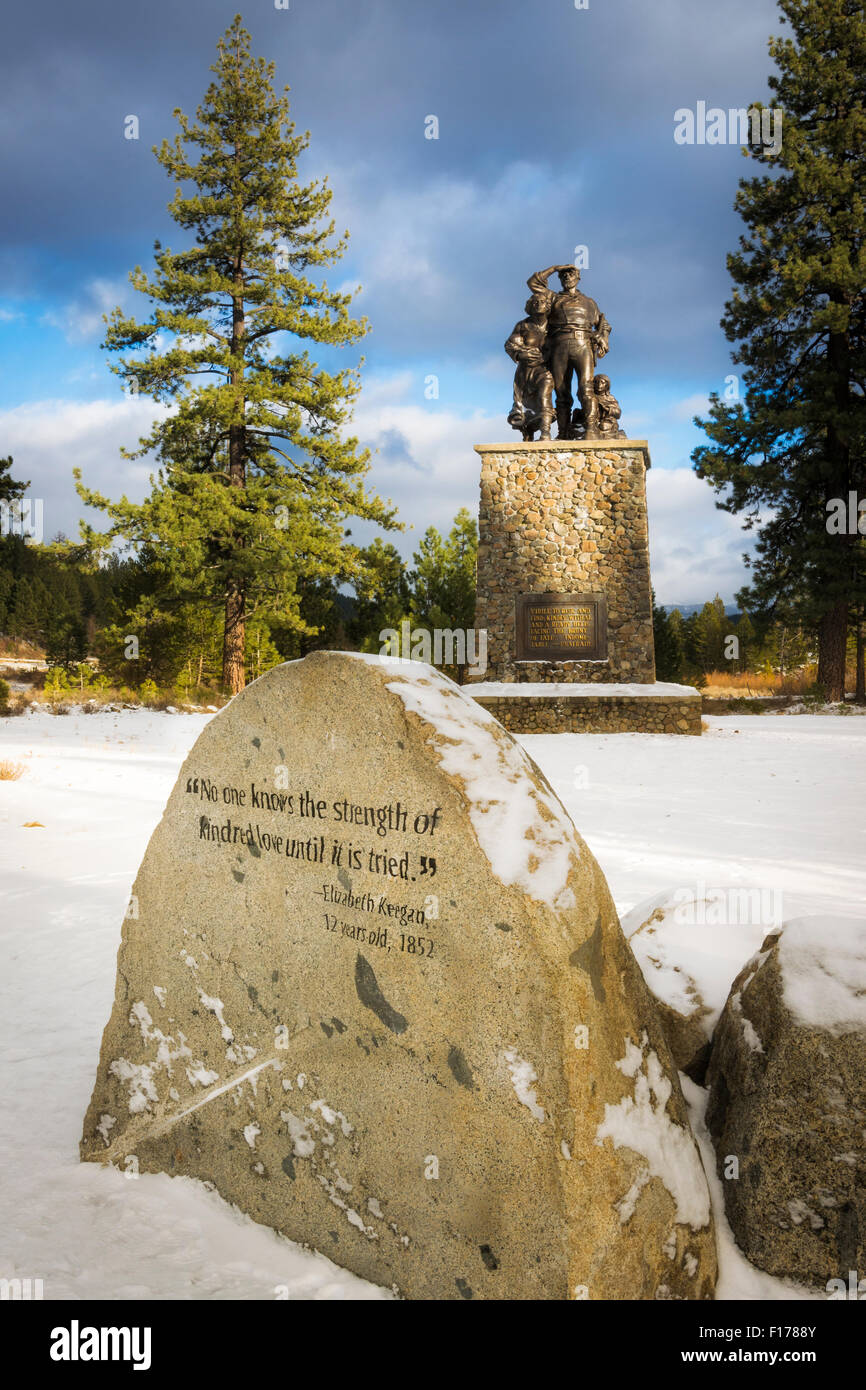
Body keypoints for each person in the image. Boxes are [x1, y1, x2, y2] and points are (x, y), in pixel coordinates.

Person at [526, 264, 611, 440]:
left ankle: (590, 430)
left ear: (578, 278)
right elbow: (533, 282)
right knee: (561, 391)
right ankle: (563, 432)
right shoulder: (553, 298)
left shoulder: (589, 302)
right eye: (563, 276)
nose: (567, 277)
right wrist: (556, 268)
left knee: (585, 388)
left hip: (583, 344)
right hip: (559, 345)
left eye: (571, 274)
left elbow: (604, 324)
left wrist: (603, 336)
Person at [504, 291, 554, 440]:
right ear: (530, 306)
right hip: (525, 372)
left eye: (542, 302)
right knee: (526, 405)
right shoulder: (523, 325)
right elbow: (510, 344)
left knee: (544, 395)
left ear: (548, 306)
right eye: (535, 302)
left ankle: (545, 433)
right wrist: (520, 354)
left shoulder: (555, 325)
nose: (538, 304)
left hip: (545, 369)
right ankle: (528, 430)